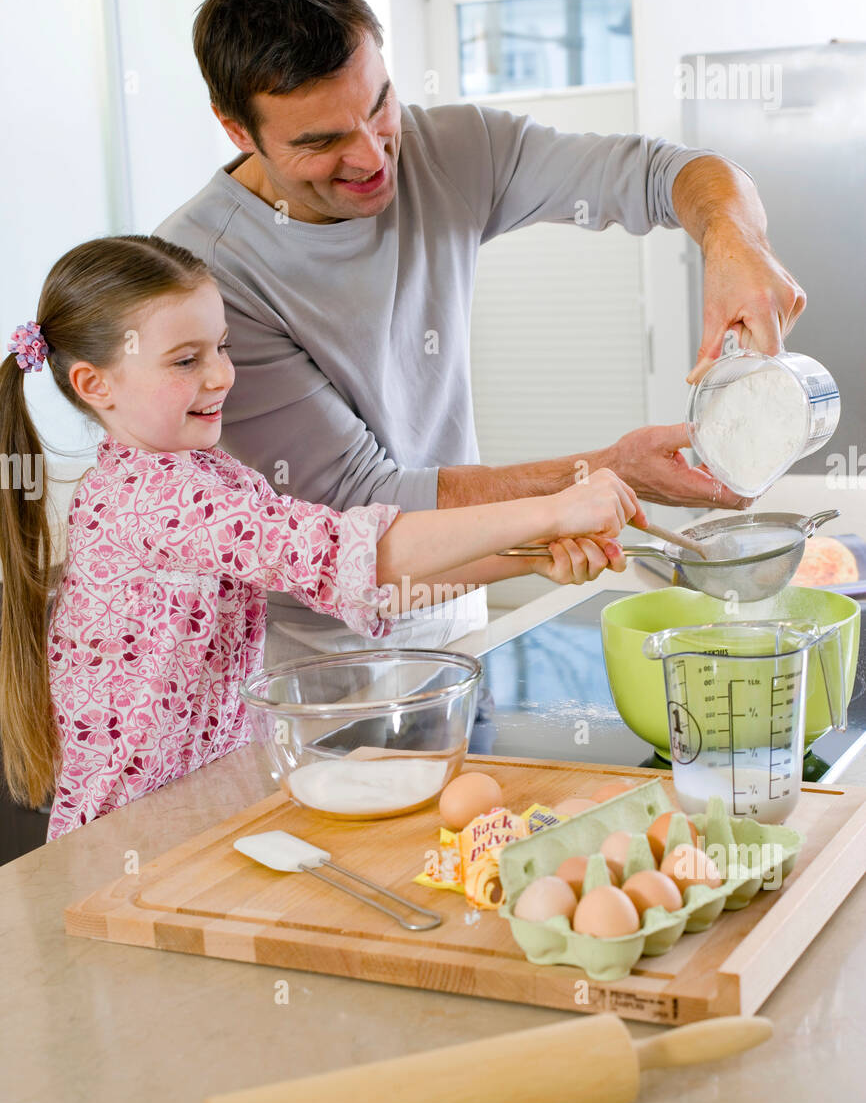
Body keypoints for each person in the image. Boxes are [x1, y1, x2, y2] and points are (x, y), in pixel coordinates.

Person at [155, 0, 806, 663]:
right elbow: (363, 502)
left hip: (461, 603)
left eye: (379, 106)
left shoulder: (450, 149)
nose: (373, 156)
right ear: (237, 130)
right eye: (321, 142)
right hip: (313, 649)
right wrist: (601, 475)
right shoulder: (197, 275)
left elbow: (659, 171)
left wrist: (732, 237)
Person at [0, 235, 644, 839]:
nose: (221, 375)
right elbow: (349, 557)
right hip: (133, 835)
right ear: (94, 384)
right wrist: (549, 513)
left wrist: (531, 558)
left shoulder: (204, 472)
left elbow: (356, 579)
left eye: (221, 347)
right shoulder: (148, 498)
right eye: (186, 360)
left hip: (201, 805)